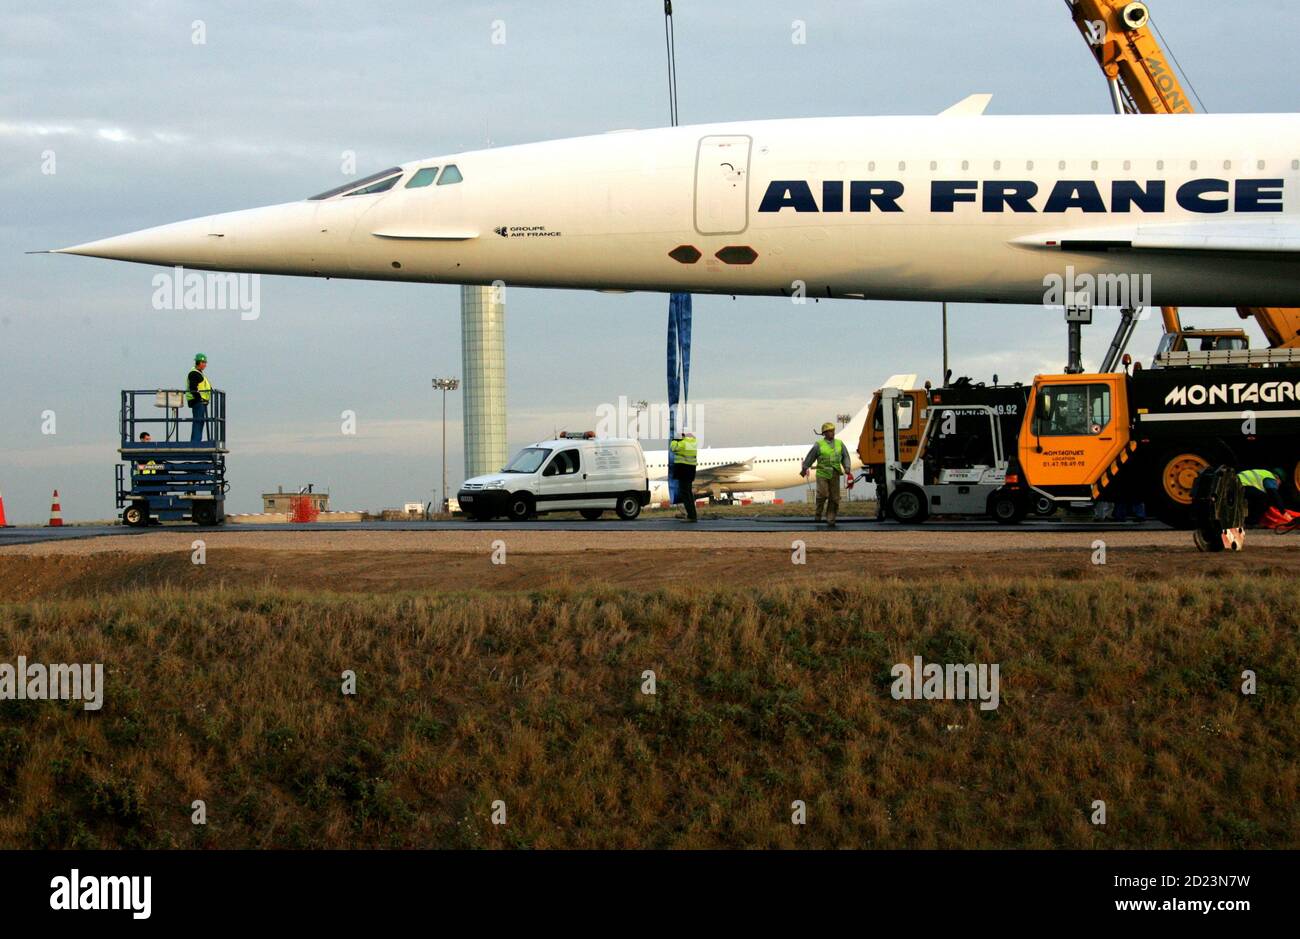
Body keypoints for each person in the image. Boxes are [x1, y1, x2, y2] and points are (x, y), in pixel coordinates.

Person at [801, 421, 854, 527]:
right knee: (823, 494)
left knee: (834, 498)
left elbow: (845, 456)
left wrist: (847, 467)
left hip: (835, 473)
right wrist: (804, 468)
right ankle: (818, 513)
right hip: (822, 473)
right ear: (824, 433)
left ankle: (831, 518)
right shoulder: (818, 445)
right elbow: (810, 457)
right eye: (829, 431)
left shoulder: (840, 443)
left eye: (833, 431)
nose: (832, 433)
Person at [669, 431, 698, 522]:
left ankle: (691, 516)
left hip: (683, 470)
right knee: (688, 493)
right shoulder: (692, 443)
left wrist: (674, 439)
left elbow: (673, 447)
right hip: (690, 471)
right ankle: (693, 515)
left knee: (685, 494)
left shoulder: (682, 444)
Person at [187, 353, 211, 444]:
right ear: (198, 362)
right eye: (203, 362)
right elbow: (193, 388)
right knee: (198, 421)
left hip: (201, 402)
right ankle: (195, 441)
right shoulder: (194, 373)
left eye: (205, 362)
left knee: (200, 421)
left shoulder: (199, 373)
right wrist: (199, 398)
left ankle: (196, 440)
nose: (205, 364)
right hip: (197, 402)